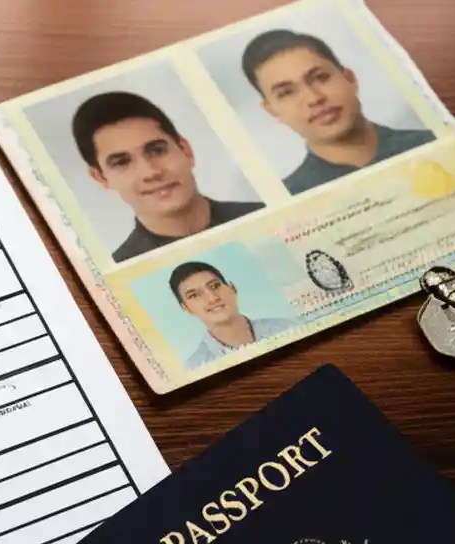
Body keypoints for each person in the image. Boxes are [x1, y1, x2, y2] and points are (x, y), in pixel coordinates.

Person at [71, 92, 263, 263]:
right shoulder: (123, 276)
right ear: (101, 177)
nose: (151, 172)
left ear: (186, 151)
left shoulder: (264, 215)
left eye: (156, 150)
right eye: (122, 162)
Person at [241, 29, 435, 194]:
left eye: (321, 78)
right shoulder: (289, 199)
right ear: (272, 110)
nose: (314, 98)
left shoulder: (433, 142)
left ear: (350, 79)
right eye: (286, 93)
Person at [169, 261, 297, 369]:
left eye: (215, 286)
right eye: (194, 295)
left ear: (232, 288)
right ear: (186, 308)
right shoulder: (196, 367)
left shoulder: (288, 328)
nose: (212, 298)